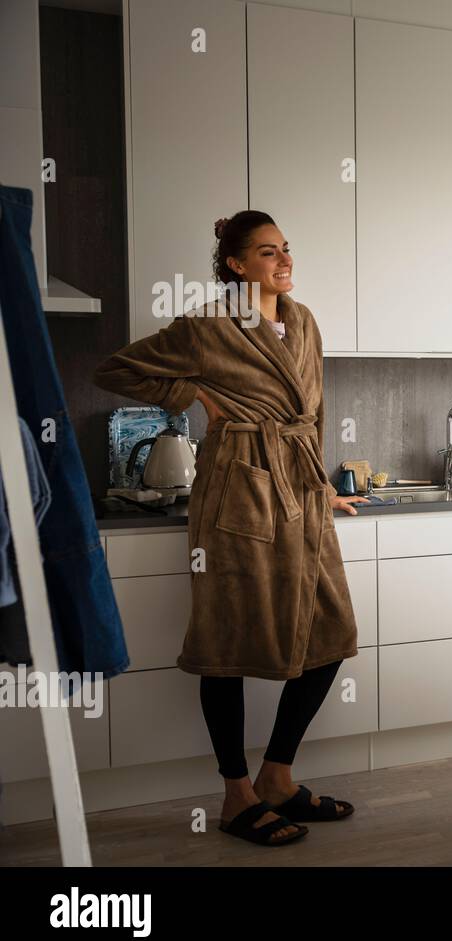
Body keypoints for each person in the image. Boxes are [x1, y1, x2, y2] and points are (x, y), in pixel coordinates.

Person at [93, 210, 370, 846]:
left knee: (330, 635)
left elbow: (316, 410)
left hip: (300, 489)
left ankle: (278, 777)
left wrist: (323, 484)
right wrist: (190, 394)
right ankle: (234, 794)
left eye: (286, 249)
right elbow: (113, 369)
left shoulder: (302, 321)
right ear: (237, 265)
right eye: (269, 252)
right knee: (228, 639)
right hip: (238, 494)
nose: (284, 261)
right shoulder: (206, 327)